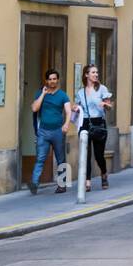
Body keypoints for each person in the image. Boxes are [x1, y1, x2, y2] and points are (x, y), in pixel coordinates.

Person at [29, 68, 71, 196]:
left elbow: (68, 111)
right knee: (40, 158)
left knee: (61, 158)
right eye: (50, 79)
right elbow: (35, 108)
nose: (52, 81)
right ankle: (34, 183)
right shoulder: (40, 93)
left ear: (57, 80)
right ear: (46, 81)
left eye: (54, 79)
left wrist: (66, 123)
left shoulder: (63, 95)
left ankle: (62, 185)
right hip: (43, 132)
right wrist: (43, 94)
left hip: (58, 131)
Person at [76, 64, 113, 191]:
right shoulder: (80, 92)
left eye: (97, 72)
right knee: (85, 155)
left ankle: (104, 173)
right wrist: (75, 108)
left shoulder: (102, 89)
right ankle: (87, 181)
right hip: (85, 123)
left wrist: (105, 104)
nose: (96, 74)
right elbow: (78, 107)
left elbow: (109, 106)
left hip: (99, 123)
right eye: (93, 72)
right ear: (86, 75)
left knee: (98, 155)